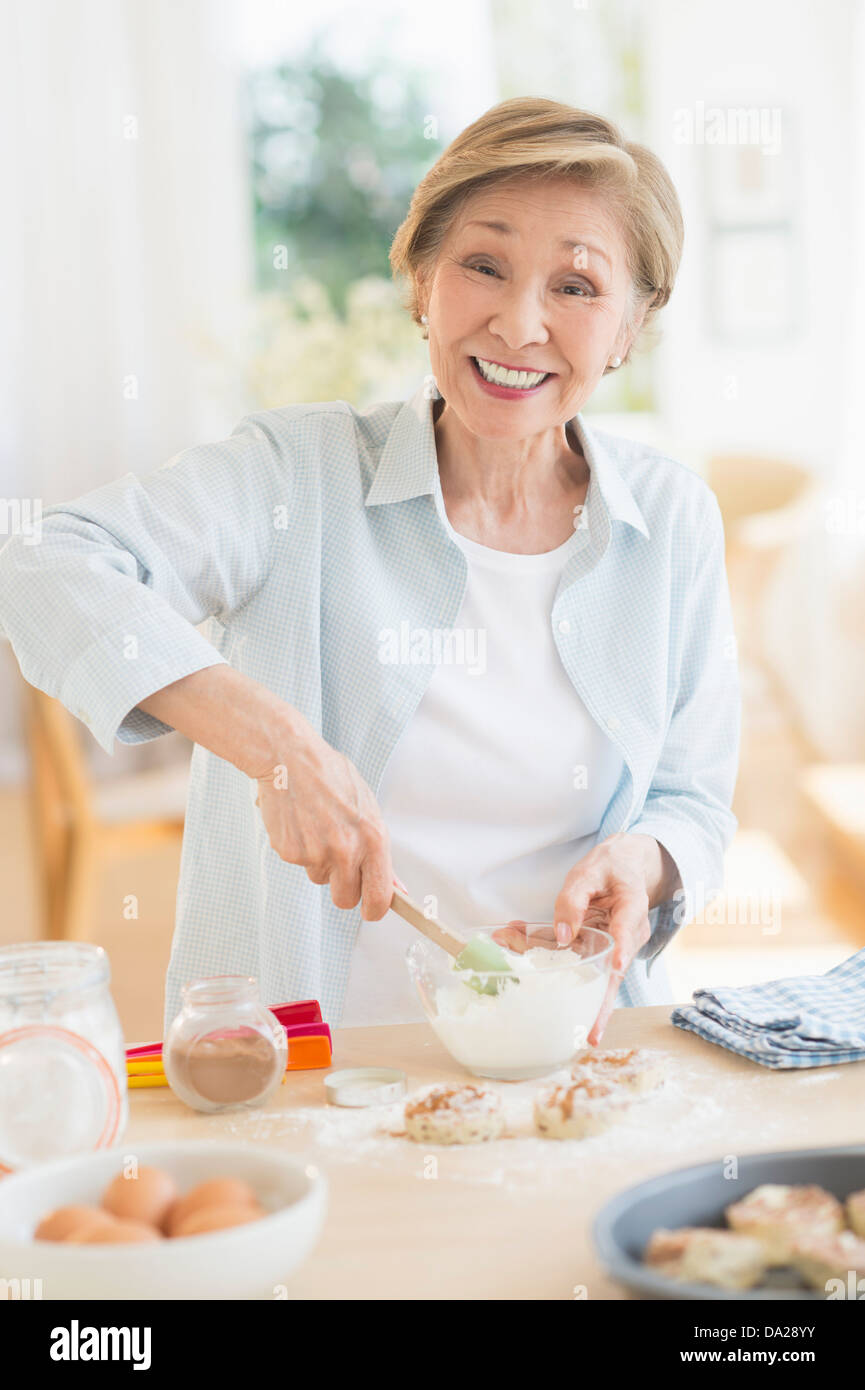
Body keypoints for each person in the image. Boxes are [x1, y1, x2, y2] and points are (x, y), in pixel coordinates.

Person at [0, 98, 740, 1040]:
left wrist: (646, 858)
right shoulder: (294, 475)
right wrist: (275, 746)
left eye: (577, 287)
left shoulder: (672, 523)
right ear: (421, 278)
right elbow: (41, 561)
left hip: (570, 1051)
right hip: (310, 1070)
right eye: (483, 265)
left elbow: (693, 799)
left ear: (632, 326)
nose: (518, 325)